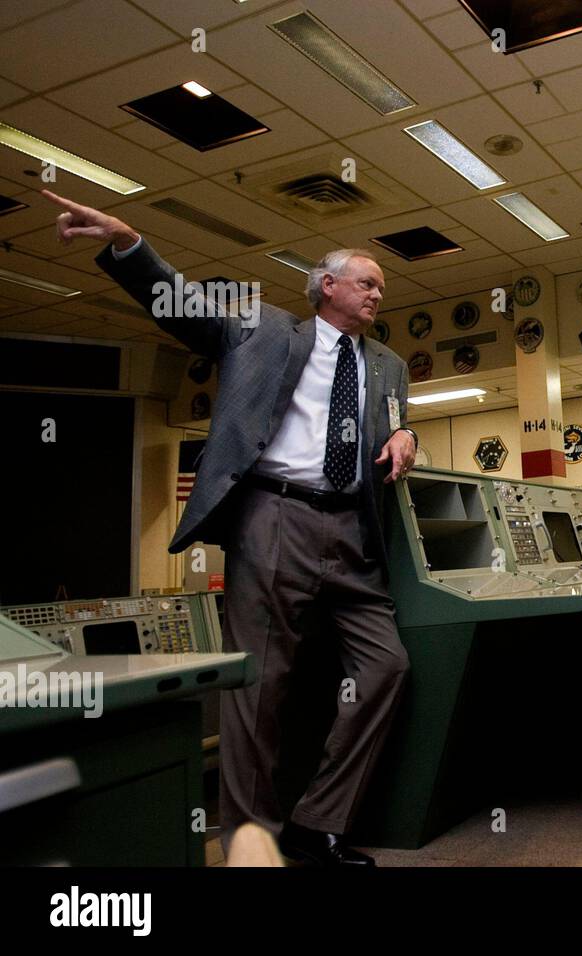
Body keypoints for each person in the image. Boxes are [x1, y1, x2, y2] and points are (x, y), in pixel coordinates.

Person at [45, 190, 416, 867]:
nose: (376, 295)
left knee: (386, 666)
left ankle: (318, 820)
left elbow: (393, 418)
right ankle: (250, 837)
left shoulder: (388, 364)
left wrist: (404, 432)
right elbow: (181, 305)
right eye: (367, 283)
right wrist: (129, 242)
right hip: (275, 517)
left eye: (381, 288)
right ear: (325, 286)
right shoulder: (264, 328)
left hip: (355, 534)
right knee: (260, 686)